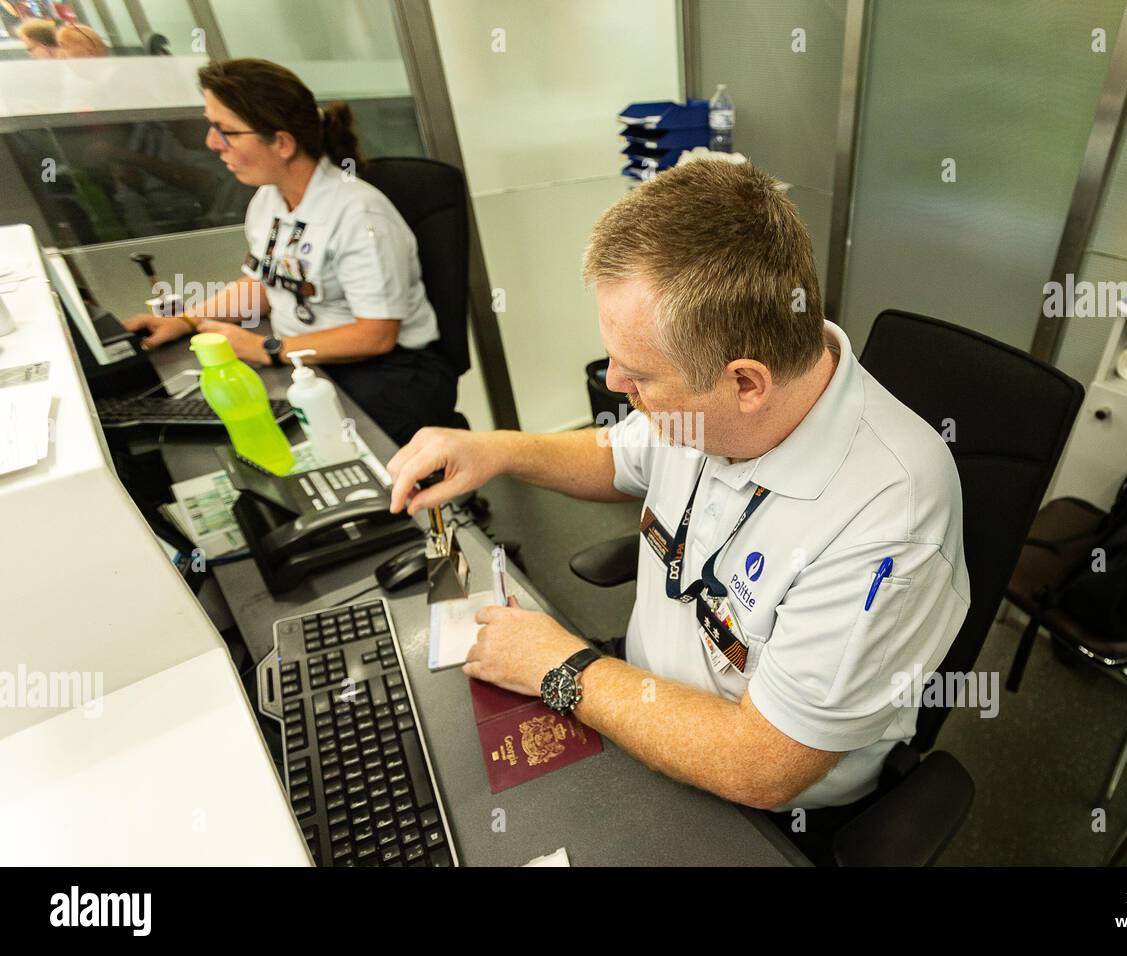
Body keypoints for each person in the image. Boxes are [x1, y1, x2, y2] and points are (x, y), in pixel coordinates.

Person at [386, 160, 971, 860]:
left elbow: (763, 763)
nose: (612, 382)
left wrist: (561, 667)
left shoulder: (888, 519)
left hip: (753, 805)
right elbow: (617, 457)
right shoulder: (721, 390)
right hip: (630, 700)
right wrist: (496, 449)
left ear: (746, 384)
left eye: (638, 377)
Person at [124, 58, 457, 445]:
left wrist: (266, 348)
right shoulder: (268, 201)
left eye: (226, 131)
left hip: (389, 372)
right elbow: (264, 286)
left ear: (282, 143)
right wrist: (187, 321)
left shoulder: (359, 213)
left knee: (294, 456)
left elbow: (376, 335)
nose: (211, 143)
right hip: (307, 360)